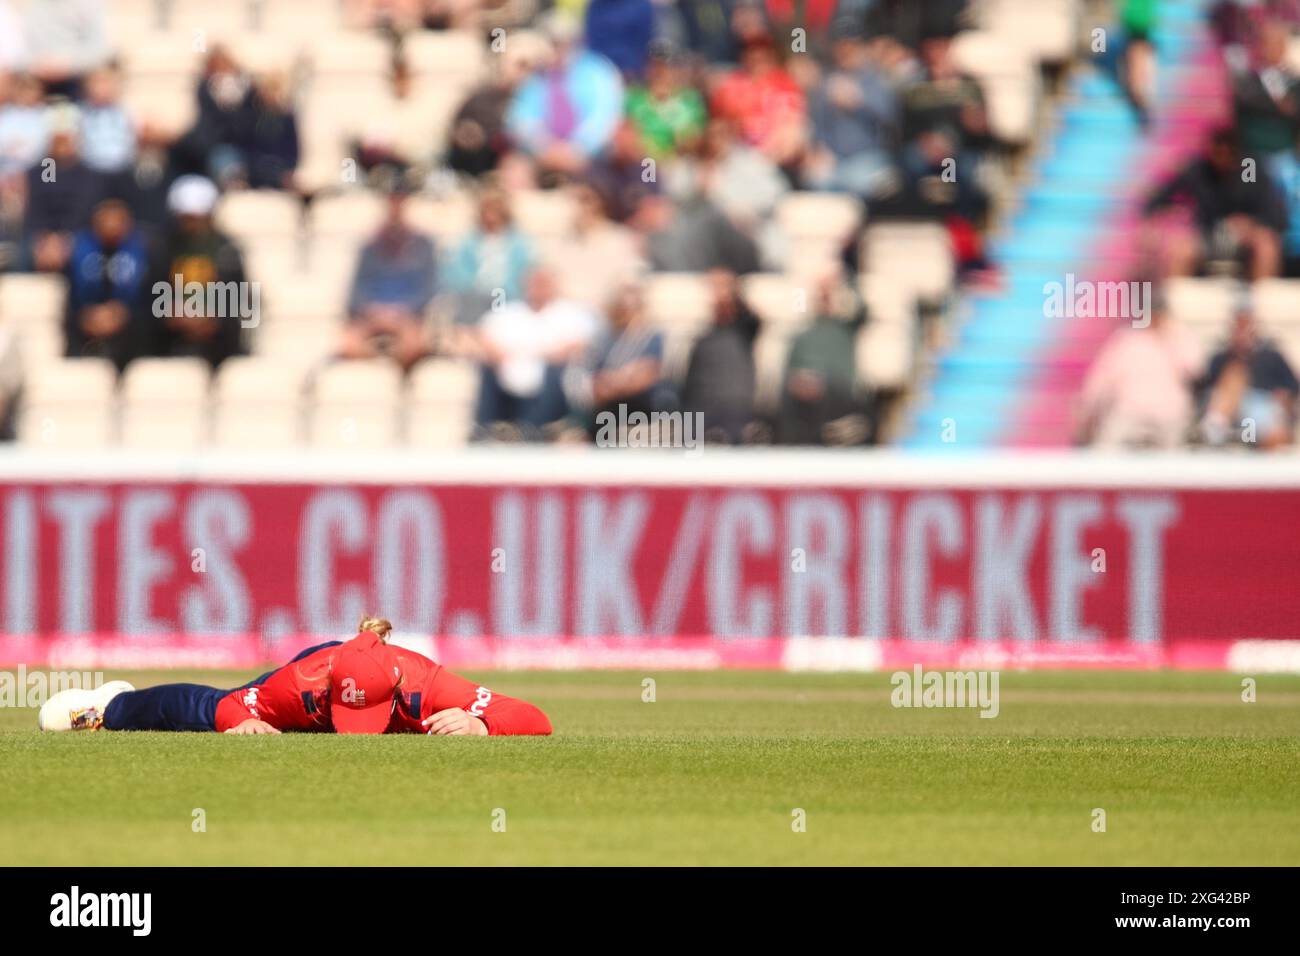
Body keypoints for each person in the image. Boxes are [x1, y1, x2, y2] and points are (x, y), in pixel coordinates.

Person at [37, 617, 553, 736]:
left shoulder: (429, 683)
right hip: (312, 671)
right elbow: (226, 705)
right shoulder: (301, 685)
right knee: (205, 709)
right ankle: (109, 705)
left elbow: (535, 718)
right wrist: (241, 722)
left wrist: (482, 724)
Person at [470, 267, 599, 438]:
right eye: (535, 284)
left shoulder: (570, 313)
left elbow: (581, 343)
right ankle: (485, 430)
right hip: (509, 375)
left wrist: (546, 355)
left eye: (544, 284)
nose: (539, 289)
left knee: (554, 371)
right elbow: (483, 336)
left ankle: (535, 430)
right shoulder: (509, 312)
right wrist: (499, 355)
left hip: (550, 380)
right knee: (487, 367)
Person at [145, 174, 249, 367]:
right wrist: (171, 315)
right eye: (185, 218)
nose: (191, 225)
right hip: (170, 343)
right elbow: (150, 296)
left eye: (196, 218)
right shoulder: (163, 249)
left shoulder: (227, 250)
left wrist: (213, 319)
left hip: (219, 347)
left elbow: (242, 303)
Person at [1077, 300, 1203, 448]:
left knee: (1175, 454)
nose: (1155, 318)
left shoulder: (1179, 337)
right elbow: (1102, 379)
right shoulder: (1128, 340)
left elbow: (1195, 369)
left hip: (1170, 414)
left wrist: (1169, 336)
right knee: (1105, 450)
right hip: (1130, 411)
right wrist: (1087, 409)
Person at [339, 186, 436, 370]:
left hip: (407, 317)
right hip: (371, 316)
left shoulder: (423, 246)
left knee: (414, 347)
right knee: (348, 346)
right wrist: (374, 311)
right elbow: (356, 290)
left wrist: (400, 312)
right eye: (391, 203)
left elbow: (428, 290)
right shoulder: (370, 246)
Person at [63, 197, 149, 370]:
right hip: (85, 326)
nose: (111, 226)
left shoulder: (146, 253)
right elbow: (69, 300)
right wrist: (87, 317)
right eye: (106, 220)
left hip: (130, 331)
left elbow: (148, 300)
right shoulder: (77, 252)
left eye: (117, 220)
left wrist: (121, 315)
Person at [1198, 308, 1299, 448]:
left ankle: (1258, 440)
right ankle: (1217, 431)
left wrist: (1283, 397)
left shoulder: (1271, 356)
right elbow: (1207, 388)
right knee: (1235, 376)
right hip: (1231, 408)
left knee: (1267, 424)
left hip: (1264, 406)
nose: (1242, 334)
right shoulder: (1222, 358)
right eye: (1238, 328)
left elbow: (1292, 386)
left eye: (1246, 327)